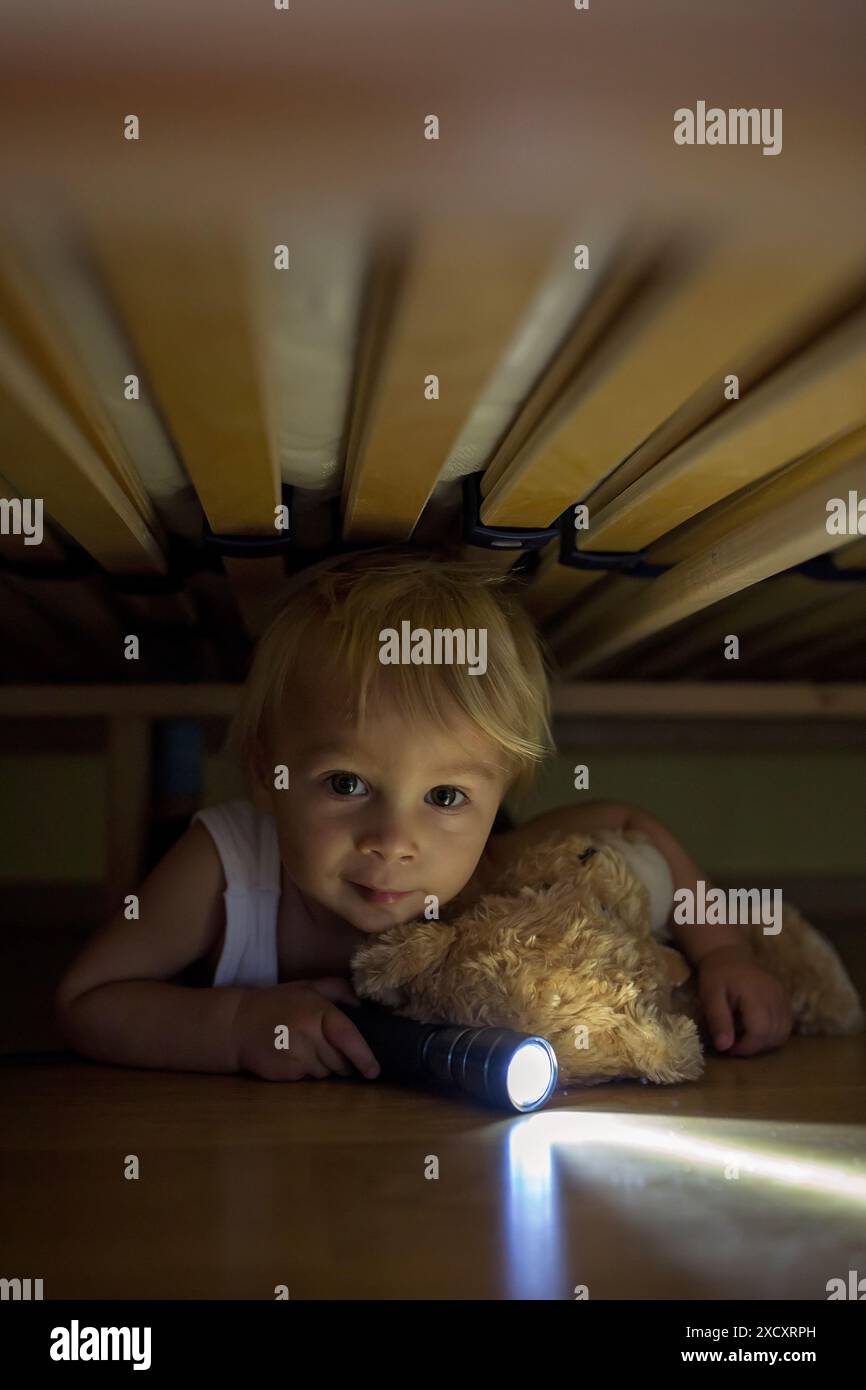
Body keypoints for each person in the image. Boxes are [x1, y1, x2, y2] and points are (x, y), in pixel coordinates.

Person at [55, 547, 791, 1082]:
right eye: (345, 783)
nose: (394, 841)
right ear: (265, 774)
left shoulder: (486, 875)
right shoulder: (224, 869)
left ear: (498, 800)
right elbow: (89, 1001)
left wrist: (724, 951)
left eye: (446, 798)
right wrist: (236, 1026)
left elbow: (630, 824)